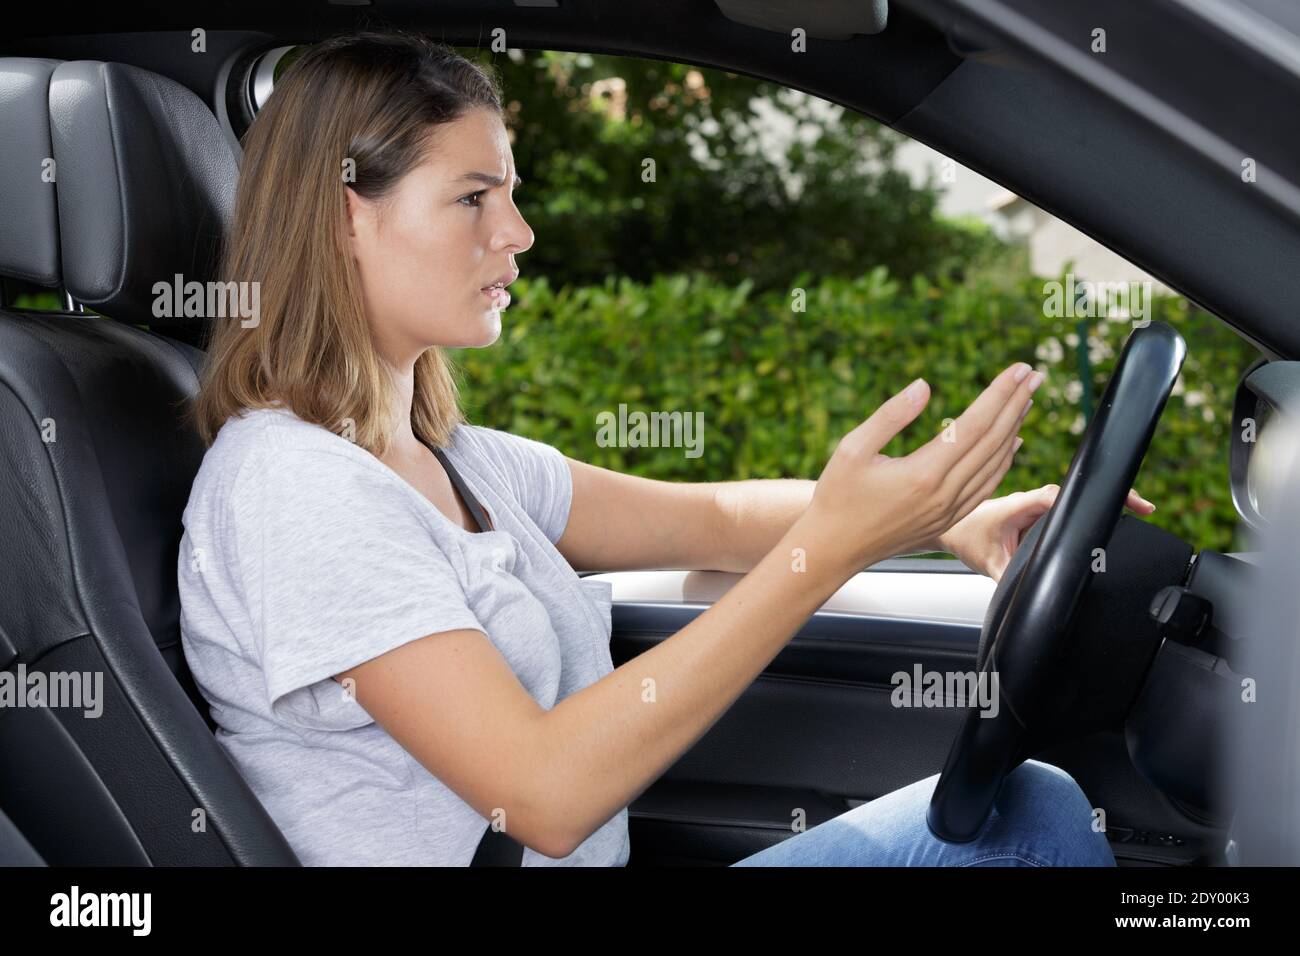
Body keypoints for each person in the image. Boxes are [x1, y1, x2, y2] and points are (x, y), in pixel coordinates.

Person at [180, 29, 1145, 867]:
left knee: (1033, 808)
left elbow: (716, 520)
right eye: (473, 198)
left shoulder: (457, 459)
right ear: (349, 211)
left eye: (511, 194)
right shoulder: (293, 488)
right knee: (1030, 833)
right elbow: (544, 798)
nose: (518, 232)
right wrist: (835, 546)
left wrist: (958, 524)